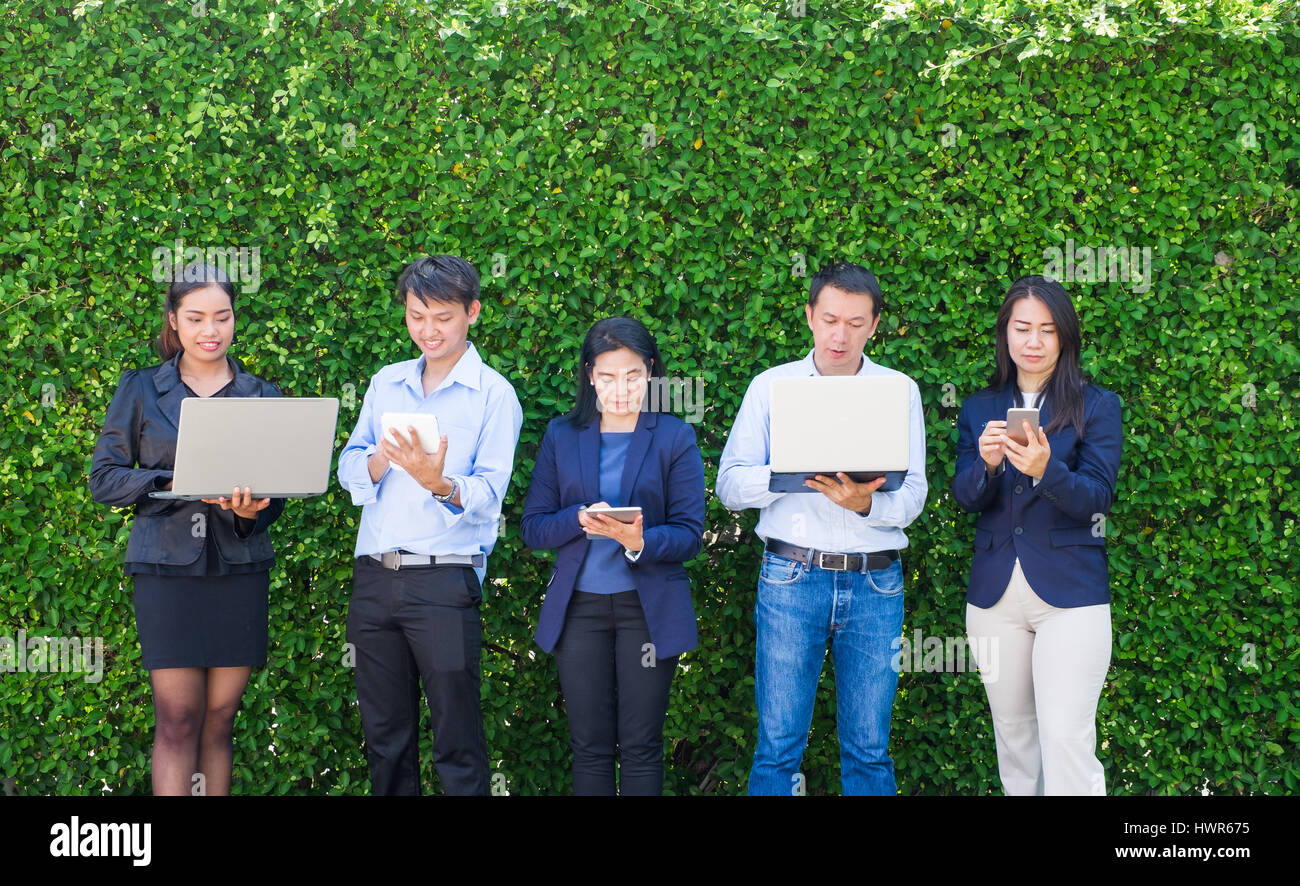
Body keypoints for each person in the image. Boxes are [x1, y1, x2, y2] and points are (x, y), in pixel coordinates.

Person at [717, 260, 927, 795]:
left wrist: (863, 505)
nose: (841, 335)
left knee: (869, 750)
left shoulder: (899, 390)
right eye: (830, 319)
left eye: (856, 323)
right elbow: (730, 487)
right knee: (778, 748)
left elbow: (914, 494)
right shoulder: (772, 387)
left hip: (876, 582)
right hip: (792, 575)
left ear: (875, 325)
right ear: (810, 316)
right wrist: (794, 472)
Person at [89, 261, 285, 796]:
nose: (210, 330)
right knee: (177, 719)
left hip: (239, 569)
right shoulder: (140, 390)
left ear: (234, 321)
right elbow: (104, 480)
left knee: (220, 721)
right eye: (196, 317)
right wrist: (174, 480)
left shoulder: (260, 394)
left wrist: (253, 512)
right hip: (165, 569)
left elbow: (276, 497)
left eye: (222, 317)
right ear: (174, 321)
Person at [337, 254, 523, 796]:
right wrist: (382, 460)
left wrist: (438, 482)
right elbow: (349, 466)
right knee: (385, 736)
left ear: (473, 312)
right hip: (374, 576)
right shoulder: (385, 384)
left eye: (442, 316)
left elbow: (490, 496)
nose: (428, 330)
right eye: (417, 316)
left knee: (457, 737)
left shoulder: (494, 394)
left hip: (444, 579)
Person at [952, 274, 1122, 796]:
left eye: (1047, 330)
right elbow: (965, 497)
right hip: (994, 597)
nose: (1033, 341)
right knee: (1015, 741)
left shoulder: (1096, 405)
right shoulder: (980, 407)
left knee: (1066, 739)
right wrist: (986, 466)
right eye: (1022, 328)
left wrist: (1048, 471)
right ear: (1005, 333)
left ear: (1064, 337)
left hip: (1070, 596)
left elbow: (1096, 498)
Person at [520, 317, 705, 795]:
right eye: (607, 376)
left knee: (642, 745)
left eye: (632, 376)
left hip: (645, 610)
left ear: (650, 372)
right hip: (579, 608)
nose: (620, 389)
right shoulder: (563, 435)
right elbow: (534, 527)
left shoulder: (673, 437)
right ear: (589, 375)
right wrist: (579, 518)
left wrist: (637, 541)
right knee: (590, 745)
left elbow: (689, 534)